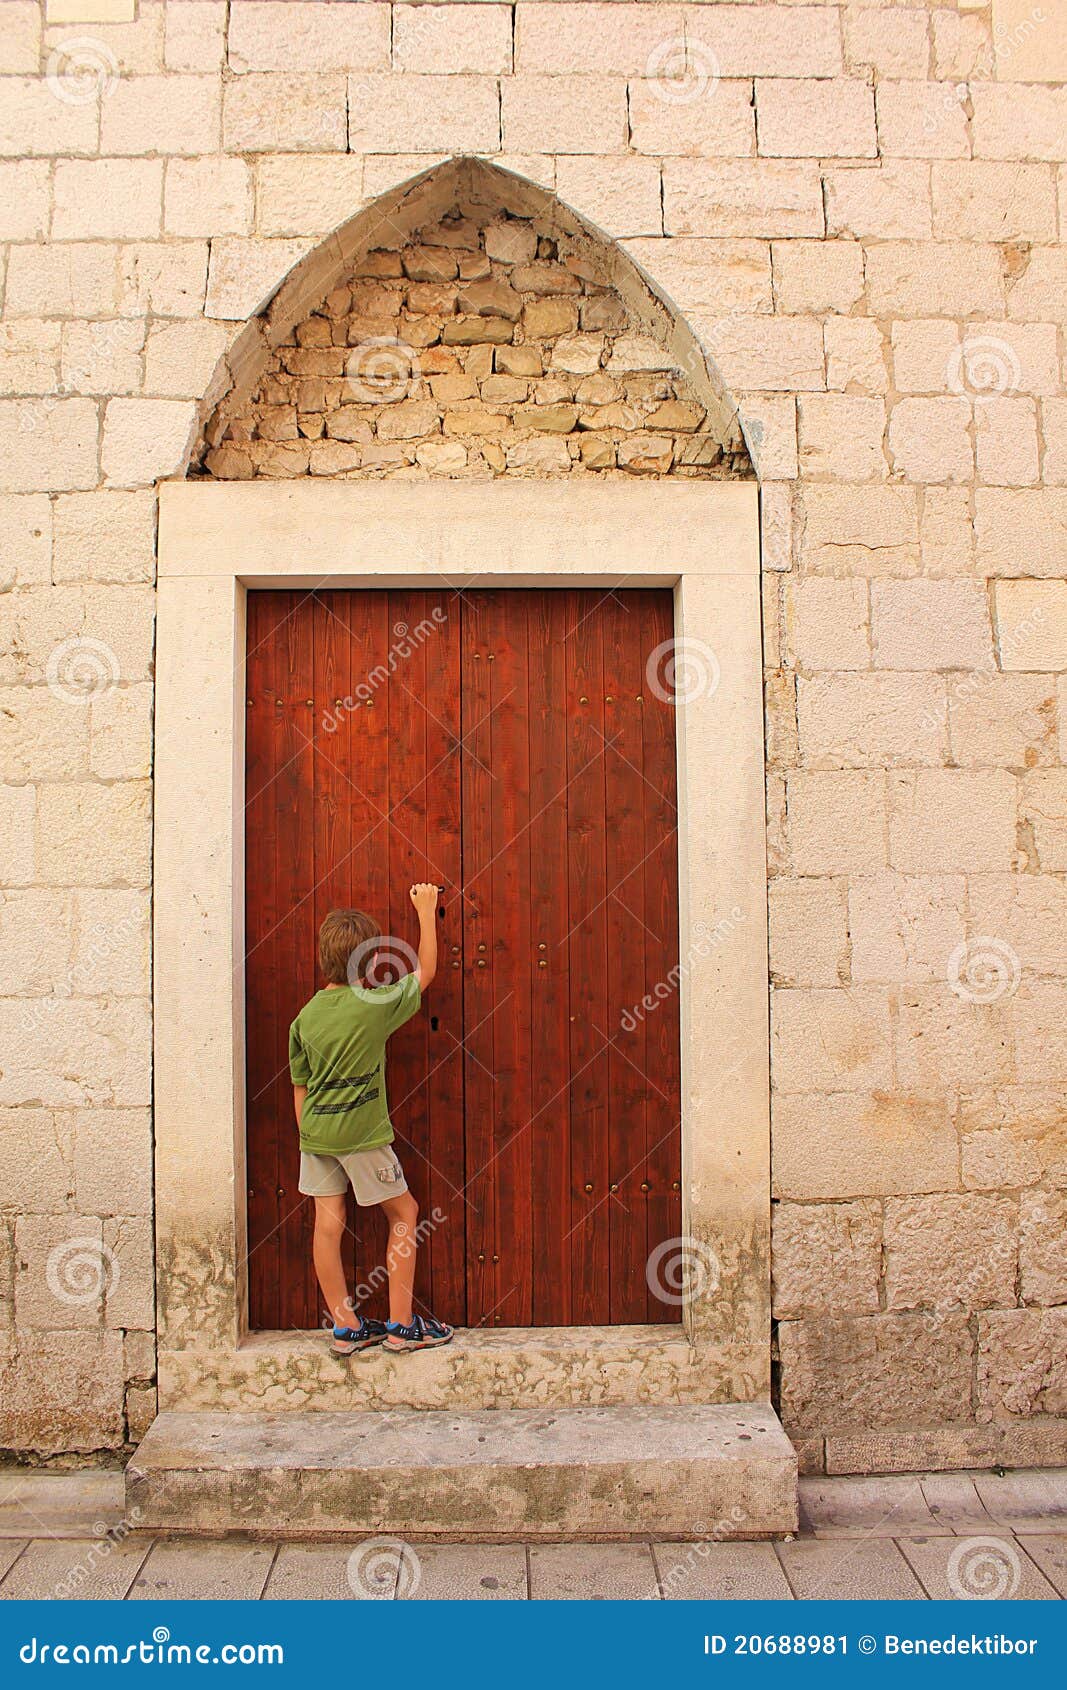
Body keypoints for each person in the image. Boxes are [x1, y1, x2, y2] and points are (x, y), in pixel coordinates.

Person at [288, 884, 453, 1355]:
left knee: (328, 1222)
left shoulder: (304, 1018)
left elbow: (299, 1087)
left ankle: (345, 1326)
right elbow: (424, 973)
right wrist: (425, 911)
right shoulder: (373, 1006)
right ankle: (402, 1327)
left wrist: (314, 1136)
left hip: (315, 1135)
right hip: (363, 1135)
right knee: (405, 1213)